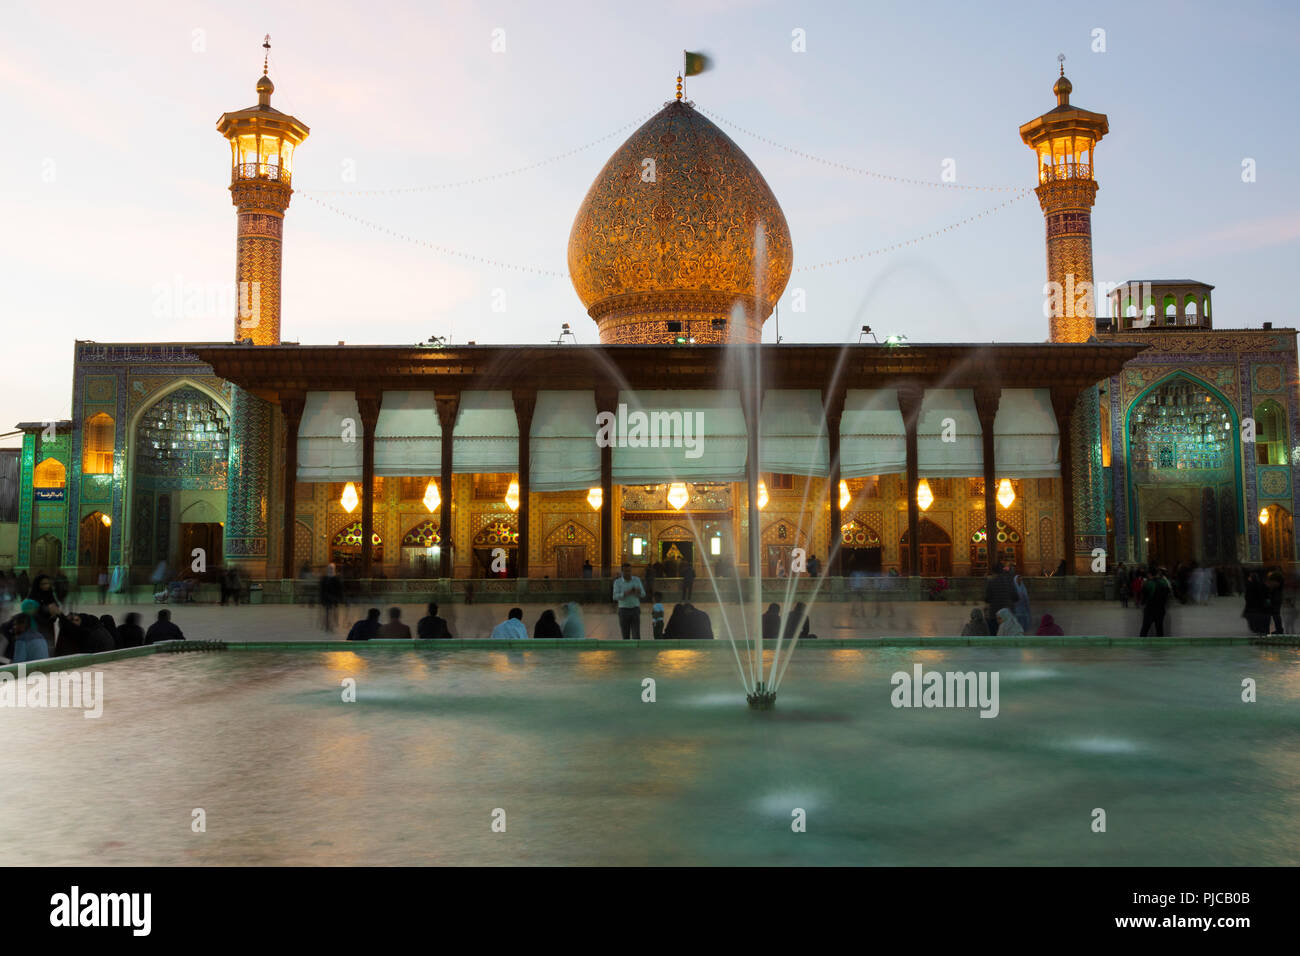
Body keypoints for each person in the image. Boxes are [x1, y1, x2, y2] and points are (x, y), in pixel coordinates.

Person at [612, 562, 645, 640]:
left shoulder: (637, 580)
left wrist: (638, 592)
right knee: (625, 636)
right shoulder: (617, 582)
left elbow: (643, 594)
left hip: (635, 609)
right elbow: (614, 596)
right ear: (622, 572)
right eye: (626, 571)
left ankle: (636, 651)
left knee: (636, 635)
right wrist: (625, 594)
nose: (628, 573)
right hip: (623, 610)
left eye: (629, 571)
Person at [984, 563, 1017, 634]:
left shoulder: (991, 582)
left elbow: (987, 598)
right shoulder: (1009, 581)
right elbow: (1015, 597)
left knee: (995, 637)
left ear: (993, 571)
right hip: (1008, 613)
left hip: (994, 615)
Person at [1140, 569, 1172, 637]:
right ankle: (1160, 645)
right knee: (1159, 629)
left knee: (1145, 629)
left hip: (1150, 609)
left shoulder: (1148, 583)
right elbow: (1169, 592)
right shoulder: (1164, 582)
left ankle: (1141, 644)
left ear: (1149, 574)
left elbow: (1143, 597)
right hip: (1161, 609)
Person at [319, 563, 344, 632]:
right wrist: (322, 599)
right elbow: (322, 589)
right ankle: (328, 625)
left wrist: (340, 598)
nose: (331, 570)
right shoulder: (325, 578)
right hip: (327, 598)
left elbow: (339, 589)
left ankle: (331, 625)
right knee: (328, 612)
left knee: (333, 612)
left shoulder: (336, 578)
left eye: (332, 568)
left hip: (334, 598)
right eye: (330, 568)